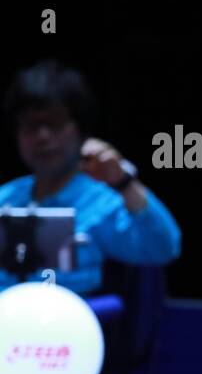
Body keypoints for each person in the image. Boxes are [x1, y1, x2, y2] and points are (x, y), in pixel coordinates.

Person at [0, 59, 181, 296]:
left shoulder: (100, 203)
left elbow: (164, 247)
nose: (42, 136)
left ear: (79, 128)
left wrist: (124, 182)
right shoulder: (6, 197)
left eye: (54, 123)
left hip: (67, 326)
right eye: (31, 126)